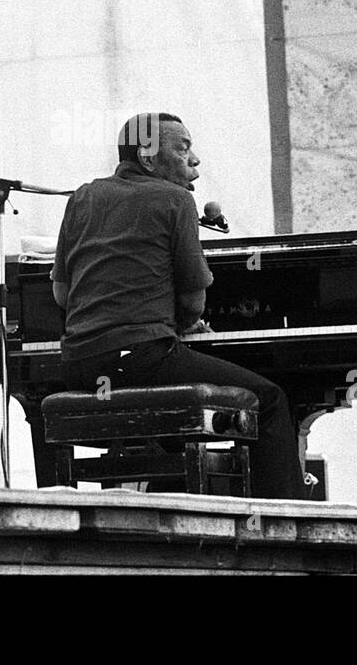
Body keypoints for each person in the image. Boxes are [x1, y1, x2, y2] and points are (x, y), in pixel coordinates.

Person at [50, 112, 307, 500]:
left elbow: (61, 296)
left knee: (175, 421)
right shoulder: (176, 200)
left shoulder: (83, 196)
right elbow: (193, 299)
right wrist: (185, 324)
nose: (195, 159)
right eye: (183, 147)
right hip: (142, 360)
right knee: (269, 400)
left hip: (78, 367)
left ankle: (173, 511)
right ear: (149, 157)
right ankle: (282, 526)